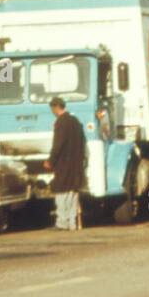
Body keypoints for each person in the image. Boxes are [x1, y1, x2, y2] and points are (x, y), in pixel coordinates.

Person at [44, 96, 86, 231]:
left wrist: (50, 161)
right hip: (76, 164)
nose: (52, 111)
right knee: (73, 193)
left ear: (56, 107)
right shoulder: (76, 122)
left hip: (63, 164)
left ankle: (62, 222)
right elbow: (83, 142)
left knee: (61, 193)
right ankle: (72, 223)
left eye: (52, 109)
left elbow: (58, 144)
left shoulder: (60, 123)